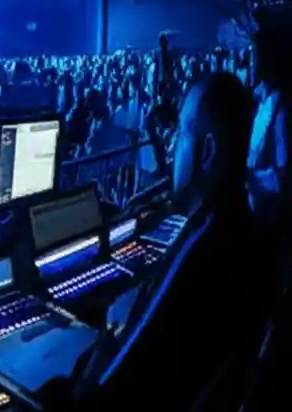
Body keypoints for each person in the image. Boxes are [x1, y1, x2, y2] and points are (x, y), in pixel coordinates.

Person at [65, 72, 272, 408]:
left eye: (180, 133)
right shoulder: (239, 223)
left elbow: (109, 393)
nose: (173, 147)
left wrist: (98, 356)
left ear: (206, 151)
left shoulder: (205, 244)